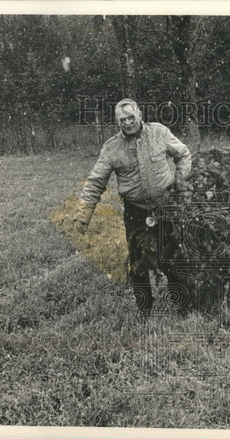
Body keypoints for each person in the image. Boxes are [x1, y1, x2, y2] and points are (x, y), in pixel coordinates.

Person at [73, 98, 192, 314]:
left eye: (130, 117)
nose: (127, 122)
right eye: (122, 120)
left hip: (165, 207)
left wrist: (179, 185)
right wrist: (83, 214)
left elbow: (183, 155)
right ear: (117, 122)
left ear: (139, 114)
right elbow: (95, 181)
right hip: (135, 212)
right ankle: (145, 312)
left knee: (172, 259)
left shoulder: (159, 133)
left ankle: (183, 307)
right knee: (138, 265)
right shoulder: (111, 148)